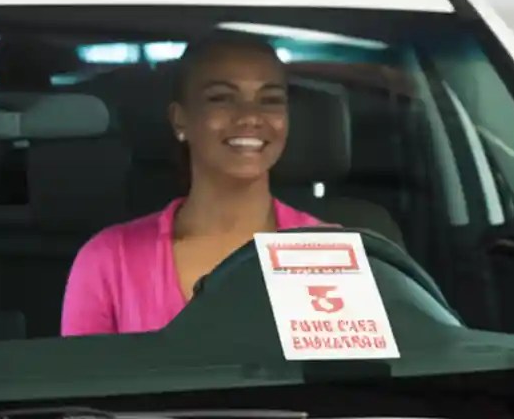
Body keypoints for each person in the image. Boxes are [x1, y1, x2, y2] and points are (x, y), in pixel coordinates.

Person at [61, 32, 321, 336]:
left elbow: (352, 380)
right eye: (221, 98)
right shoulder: (109, 259)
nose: (250, 117)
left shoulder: (330, 253)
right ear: (180, 120)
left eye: (271, 100)